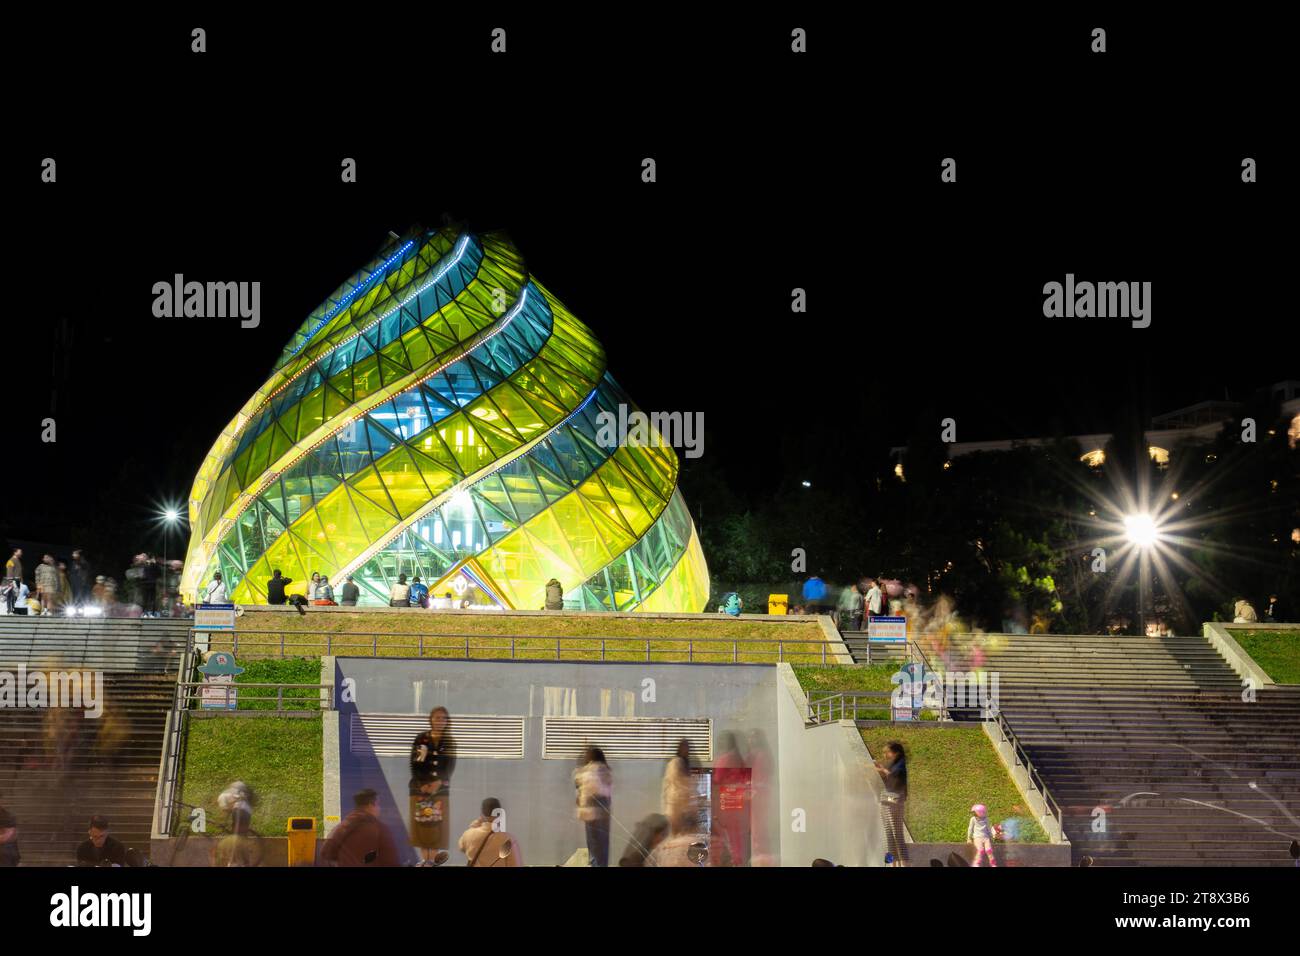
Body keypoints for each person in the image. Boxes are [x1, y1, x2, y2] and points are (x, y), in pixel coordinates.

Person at [409, 706, 456, 864]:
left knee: (436, 828)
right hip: (419, 790)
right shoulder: (421, 739)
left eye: (443, 718)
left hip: (440, 791)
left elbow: (449, 766)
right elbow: (415, 763)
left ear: (447, 721)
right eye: (437, 718)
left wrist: (438, 783)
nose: (440, 721)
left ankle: (432, 863)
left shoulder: (449, 741)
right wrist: (423, 784)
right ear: (431, 719)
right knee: (422, 827)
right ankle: (424, 861)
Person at [321, 789, 400, 867]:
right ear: (370, 805)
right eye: (378, 804)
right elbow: (390, 861)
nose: (379, 809)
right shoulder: (380, 830)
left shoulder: (343, 826)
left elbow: (325, 851)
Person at [574, 746, 613, 866]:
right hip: (604, 812)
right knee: (603, 846)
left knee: (593, 845)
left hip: (590, 813)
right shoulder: (606, 770)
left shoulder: (588, 771)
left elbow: (582, 785)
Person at [458, 797, 524, 867]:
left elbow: (461, 847)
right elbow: (515, 864)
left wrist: (474, 827)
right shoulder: (509, 840)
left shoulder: (469, 835)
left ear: (482, 814)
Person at [873, 741, 908, 867]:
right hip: (891, 799)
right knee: (892, 836)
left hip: (891, 799)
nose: (885, 755)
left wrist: (881, 769)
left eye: (887, 752)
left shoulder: (900, 764)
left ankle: (900, 864)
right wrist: (881, 770)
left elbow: (893, 776)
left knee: (894, 835)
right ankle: (892, 864)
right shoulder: (896, 764)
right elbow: (889, 777)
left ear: (896, 753)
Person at [662, 738, 697, 834]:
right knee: (675, 833)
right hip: (674, 803)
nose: (687, 750)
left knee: (682, 833)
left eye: (688, 748)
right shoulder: (675, 763)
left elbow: (686, 784)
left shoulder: (685, 763)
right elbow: (675, 782)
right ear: (680, 748)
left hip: (682, 804)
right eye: (685, 747)